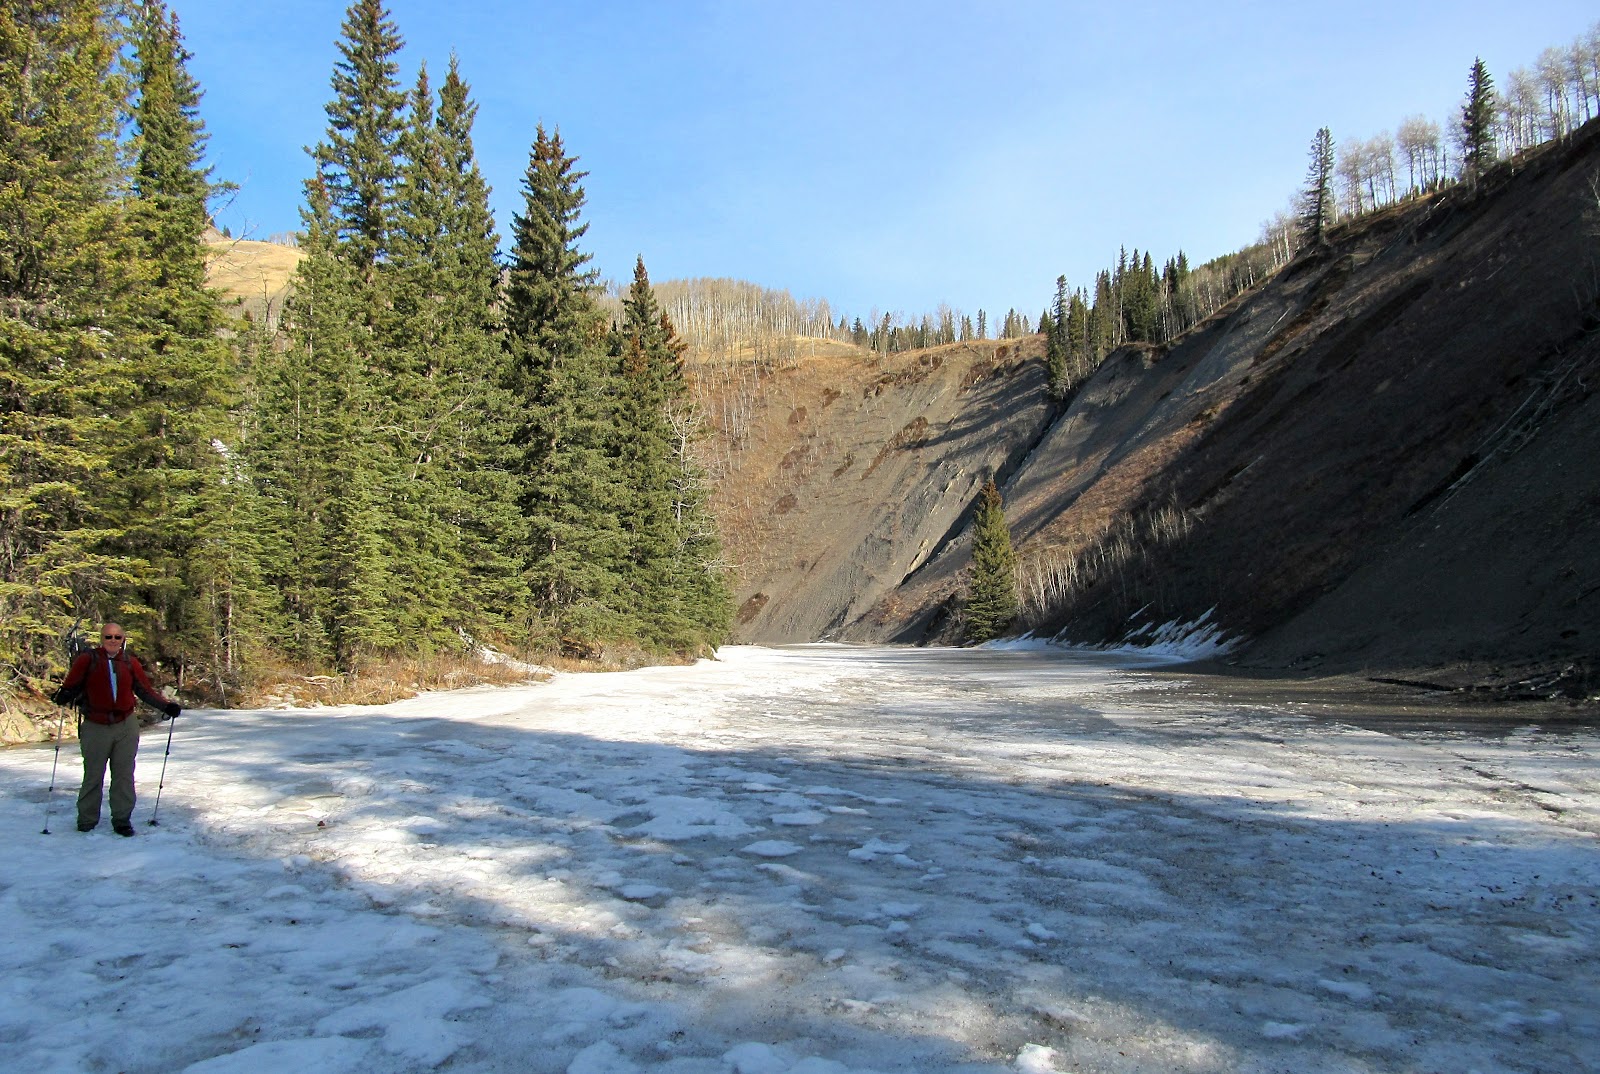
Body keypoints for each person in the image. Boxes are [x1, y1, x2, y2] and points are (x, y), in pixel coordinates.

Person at [51, 623, 181, 836]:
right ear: (101, 639)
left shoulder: (130, 662)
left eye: (117, 637)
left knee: (124, 774)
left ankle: (122, 820)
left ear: (123, 640)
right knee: (93, 774)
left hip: (125, 724)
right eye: (108, 637)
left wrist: (166, 706)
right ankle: (87, 820)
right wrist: (63, 695)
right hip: (95, 724)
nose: (113, 641)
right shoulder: (87, 660)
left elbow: (144, 691)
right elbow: (71, 685)